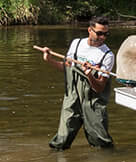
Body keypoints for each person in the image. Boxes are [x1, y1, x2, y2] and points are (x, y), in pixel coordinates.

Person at [45, 15, 116, 150]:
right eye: (99, 33)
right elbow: (67, 68)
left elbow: (100, 87)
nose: (103, 37)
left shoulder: (107, 56)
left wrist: (89, 75)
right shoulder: (76, 44)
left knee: (101, 145)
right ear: (90, 30)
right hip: (72, 99)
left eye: (106, 34)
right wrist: (49, 60)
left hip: (93, 103)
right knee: (60, 143)